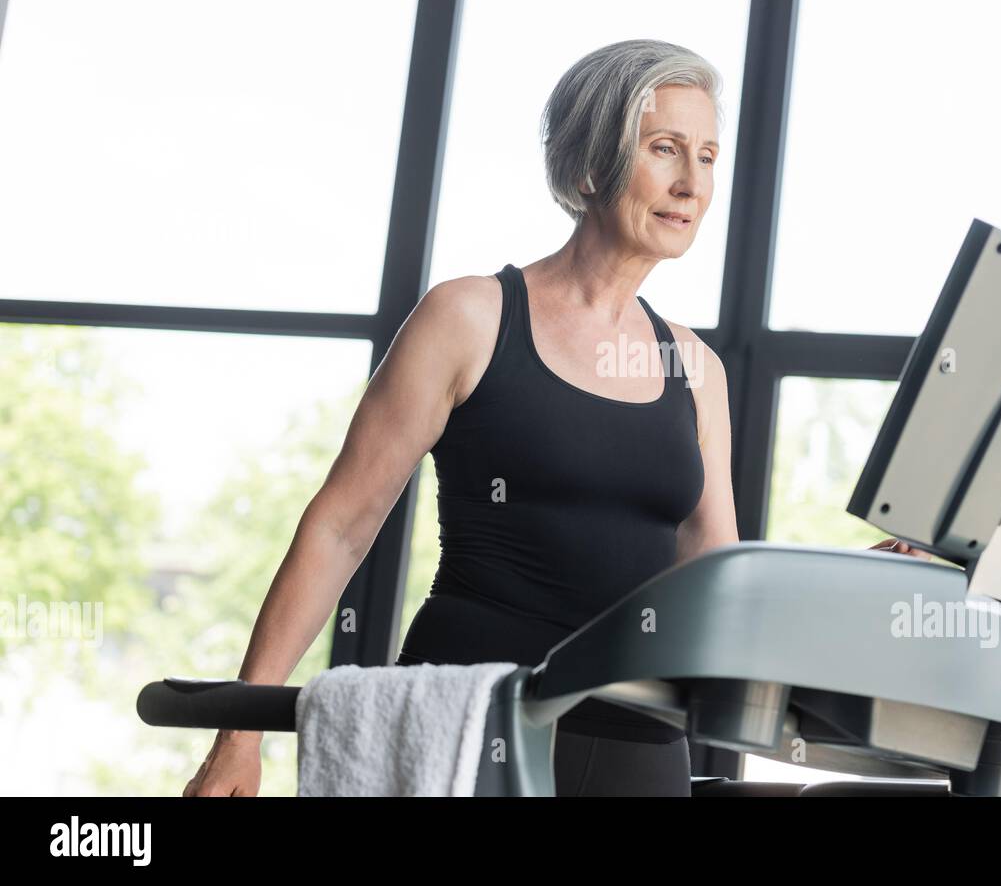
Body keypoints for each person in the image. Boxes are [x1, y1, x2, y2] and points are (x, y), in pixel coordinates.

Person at [183, 39, 924, 798]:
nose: (691, 182)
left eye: (706, 157)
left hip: (639, 745)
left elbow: (716, 579)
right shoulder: (470, 317)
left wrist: (856, 577)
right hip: (471, 726)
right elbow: (342, 524)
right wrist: (238, 732)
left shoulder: (695, 369)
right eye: (664, 148)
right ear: (590, 164)